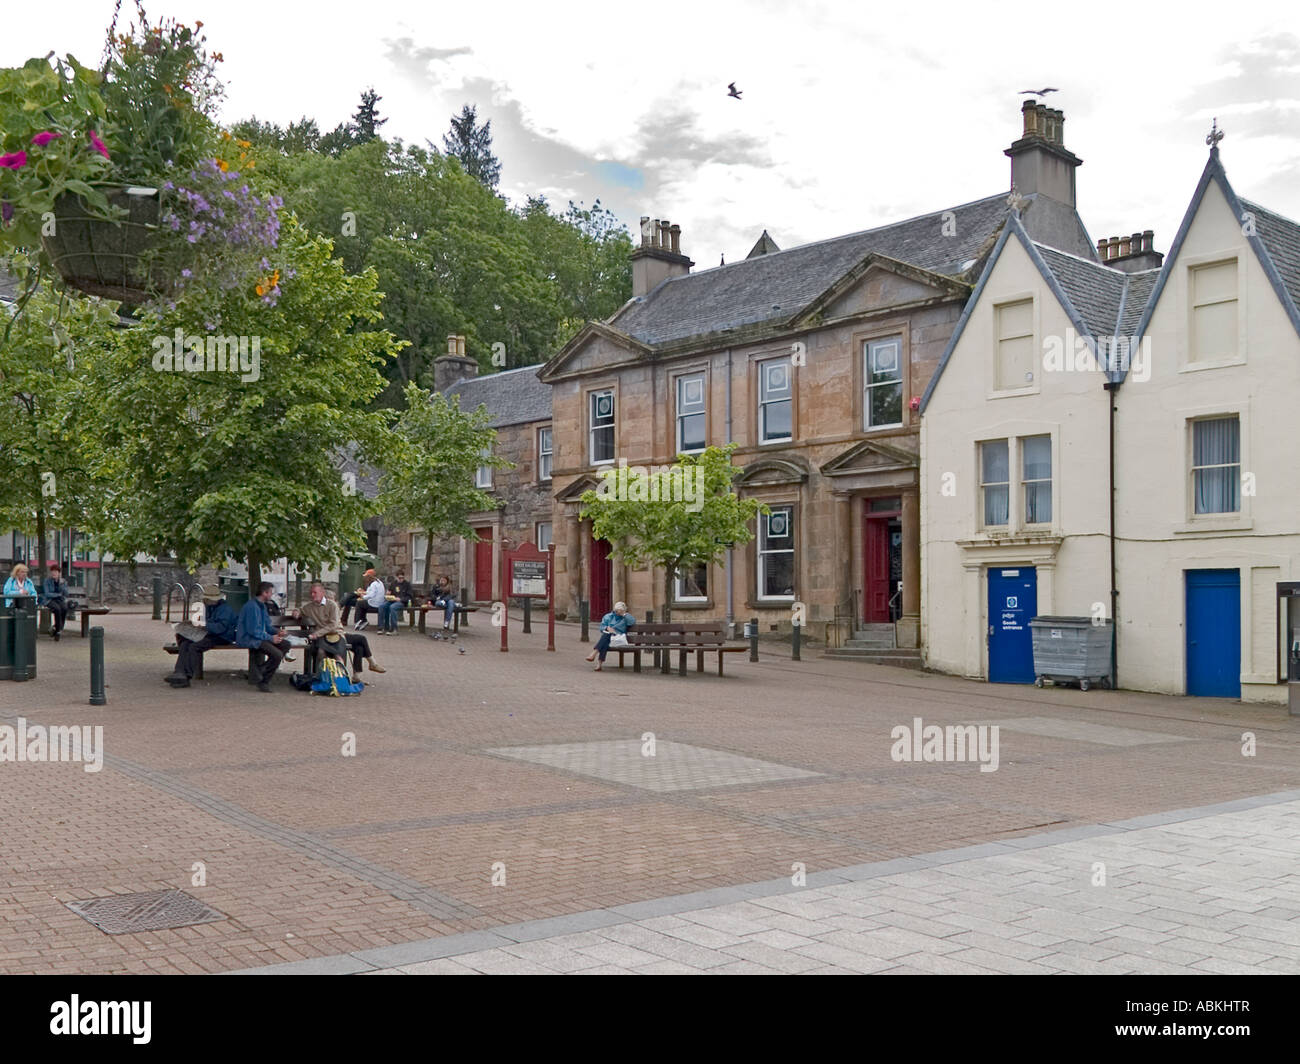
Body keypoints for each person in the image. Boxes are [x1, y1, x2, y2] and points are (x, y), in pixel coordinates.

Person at [297, 584, 386, 683]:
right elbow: (300, 610)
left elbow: (334, 625)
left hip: (337, 633)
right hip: (327, 636)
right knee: (360, 641)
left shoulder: (332, 606)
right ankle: (367, 667)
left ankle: (359, 673)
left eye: (315, 593)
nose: (312, 595)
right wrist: (296, 613)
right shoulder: (311, 607)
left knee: (360, 644)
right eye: (311, 593)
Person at [167, 595, 238, 688]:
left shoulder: (225, 610)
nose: (205, 601)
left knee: (194, 647)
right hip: (209, 634)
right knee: (185, 643)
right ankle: (179, 671)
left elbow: (221, 628)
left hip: (222, 637)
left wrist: (205, 625)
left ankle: (187, 676)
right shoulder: (209, 607)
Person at [235, 581, 293, 692]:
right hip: (249, 639)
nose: (272, 595)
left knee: (286, 644)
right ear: (264, 593)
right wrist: (271, 638)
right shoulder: (252, 607)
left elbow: (267, 626)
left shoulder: (262, 606)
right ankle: (264, 681)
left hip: (258, 637)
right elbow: (253, 631)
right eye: (271, 592)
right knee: (277, 654)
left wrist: (278, 632)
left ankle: (261, 670)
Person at [586, 601, 636, 671]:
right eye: (618, 610)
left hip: (619, 638)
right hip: (609, 638)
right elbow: (601, 627)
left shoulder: (626, 617)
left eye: (622, 610)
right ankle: (599, 664)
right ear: (615, 610)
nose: (619, 612)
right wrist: (607, 628)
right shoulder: (608, 616)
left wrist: (624, 614)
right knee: (606, 638)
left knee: (605, 637)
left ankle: (594, 654)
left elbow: (632, 622)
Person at [40, 563, 70, 641]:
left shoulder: (63, 581)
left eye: (56, 571)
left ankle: (57, 628)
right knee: (57, 609)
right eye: (52, 571)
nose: (54, 573)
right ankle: (58, 631)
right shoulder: (47, 581)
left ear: (59, 573)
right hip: (49, 600)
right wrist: (58, 595)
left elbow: (66, 594)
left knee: (64, 608)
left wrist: (62, 586)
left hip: (59, 600)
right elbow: (47, 594)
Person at [378, 570, 411, 634]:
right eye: (399, 578)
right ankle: (381, 628)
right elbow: (389, 592)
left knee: (392, 607)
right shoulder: (393, 583)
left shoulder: (407, 584)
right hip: (392, 600)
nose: (401, 579)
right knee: (382, 606)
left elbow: (409, 597)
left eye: (402, 578)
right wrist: (388, 594)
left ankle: (394, 629)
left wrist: (401, 599)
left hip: (401, 602)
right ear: (396, 577)